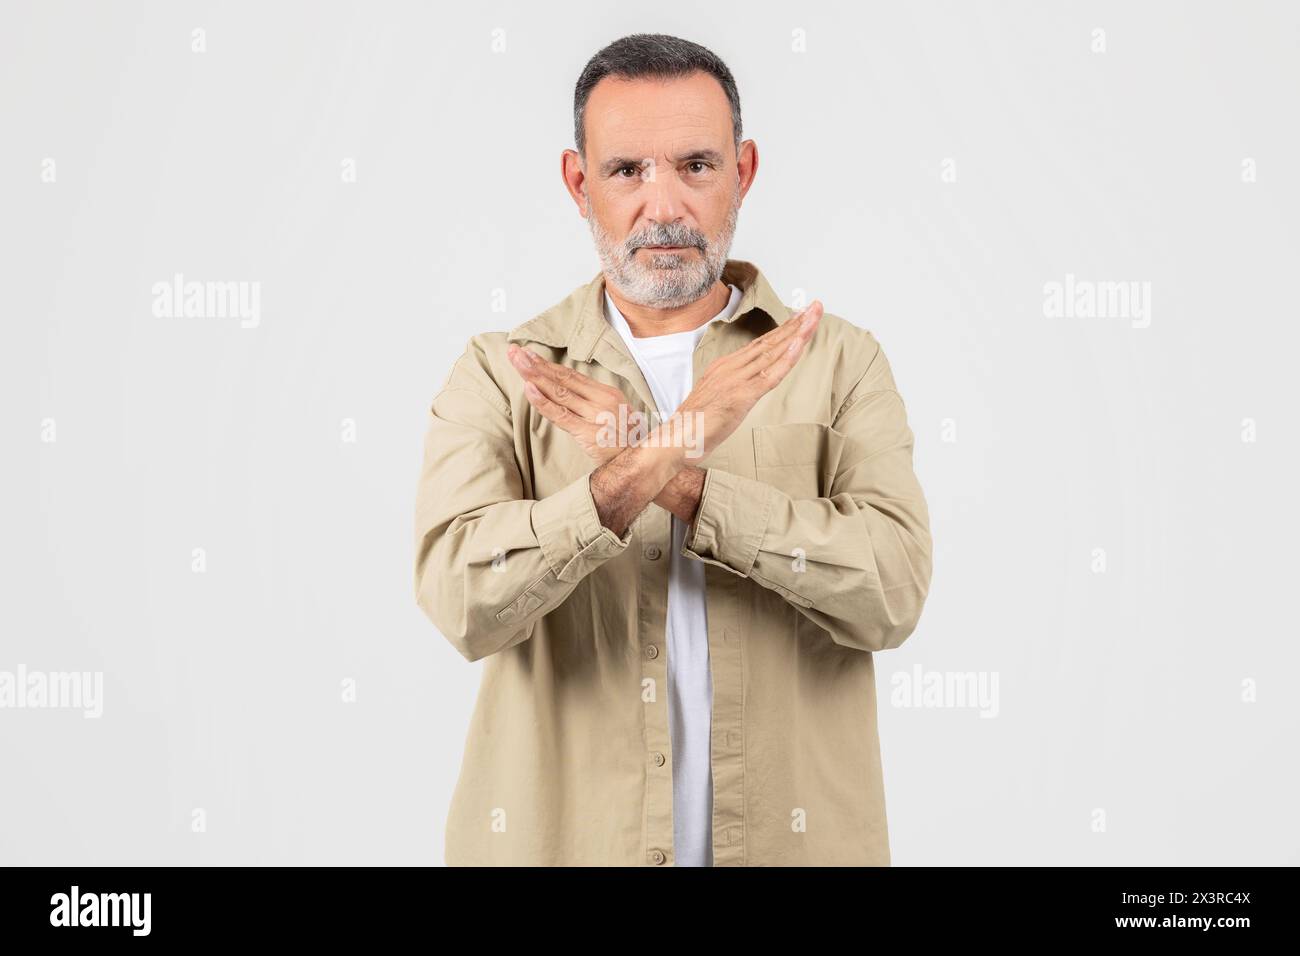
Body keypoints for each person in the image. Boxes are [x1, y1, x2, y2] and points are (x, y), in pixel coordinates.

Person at [414, 33, 932, 866]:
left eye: (695, 166)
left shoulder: (838, 362)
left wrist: (682, 480)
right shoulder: (506, 374)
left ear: (743, 172)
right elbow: (463, 603)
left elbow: (894, 591)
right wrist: (649, 464)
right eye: (627, 171)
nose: (664, 206)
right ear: (580, 183)